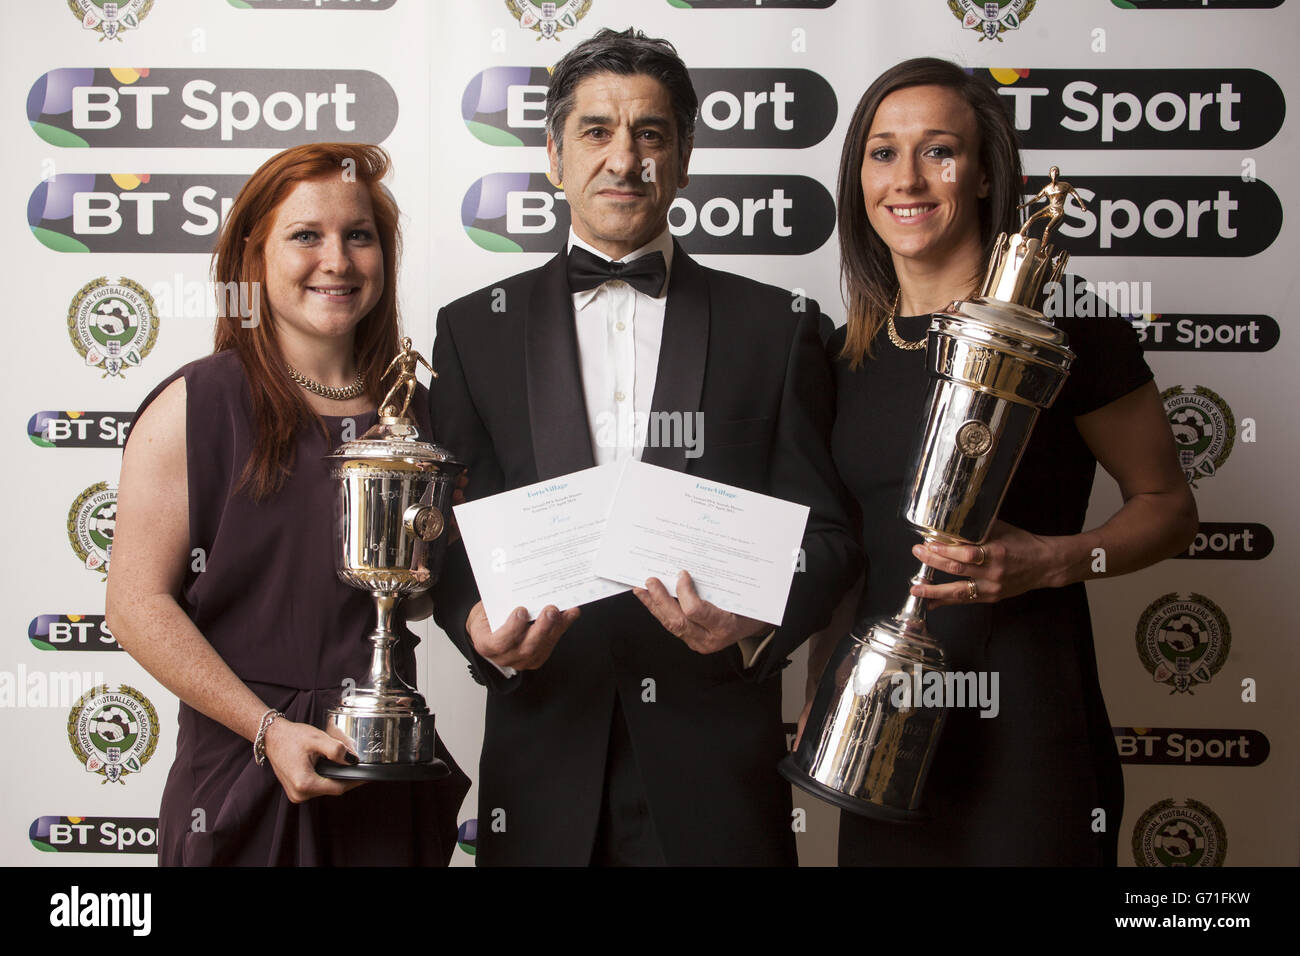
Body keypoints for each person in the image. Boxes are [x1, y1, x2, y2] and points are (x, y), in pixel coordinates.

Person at [430, 28, 861, 866]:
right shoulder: (472, 331)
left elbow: (832, 540)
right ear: (554, 157)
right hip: (542, 757)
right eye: (596, 132)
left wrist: (753, 620)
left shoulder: (778, 330)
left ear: (685, 158)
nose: (624, 159)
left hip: (718, 767)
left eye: (650, 134)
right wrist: (475, 626)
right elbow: (444, 535)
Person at [809, 57, 1198, 866]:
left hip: (1028, 723)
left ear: (985, 174)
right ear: (857, 179)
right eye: (882, 153)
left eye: (939, 151)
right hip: (881, 725)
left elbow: (1167, 504)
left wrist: (1053, 560)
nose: (907, 179)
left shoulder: (1069, 324)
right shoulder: (847, 352)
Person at [106, 143, 468, 866]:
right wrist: (268, 728)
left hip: (382, 776)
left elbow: (414, 597)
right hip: (239, 782)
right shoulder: (196, 405)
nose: (336, 260)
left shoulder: (421, 417)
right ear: (255, 256)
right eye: (306, 235)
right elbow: (136, 604)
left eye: (358, 235)